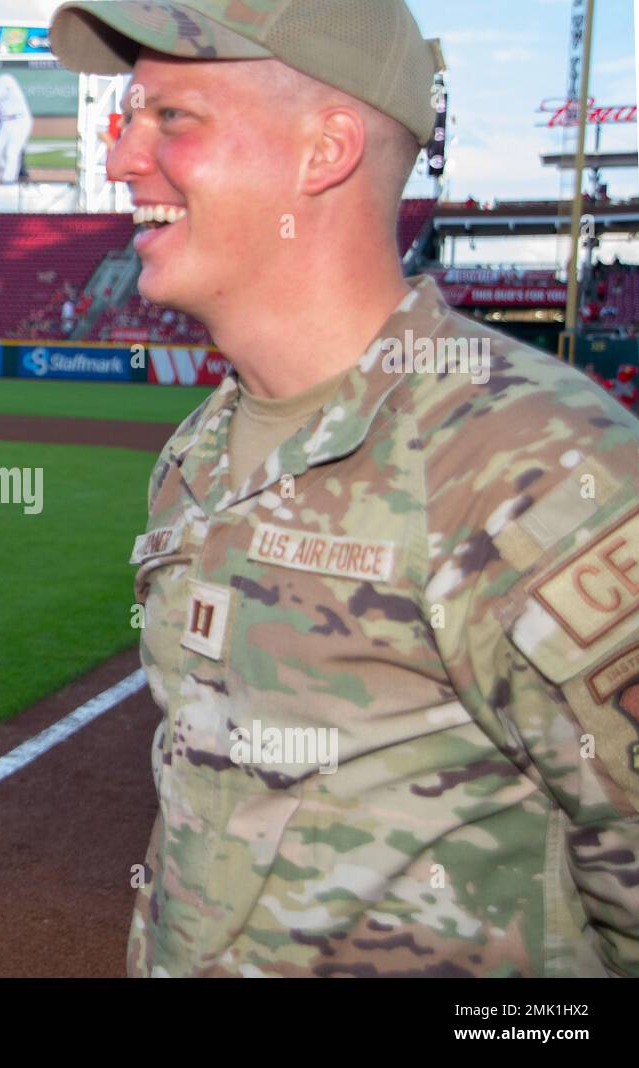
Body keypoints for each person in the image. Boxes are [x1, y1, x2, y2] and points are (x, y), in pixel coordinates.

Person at [49, 0, 639, 977]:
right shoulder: (201, 452)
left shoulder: (538, 470)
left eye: (171, 118)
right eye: (125, 116)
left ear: (324, 151)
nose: (120, 160)